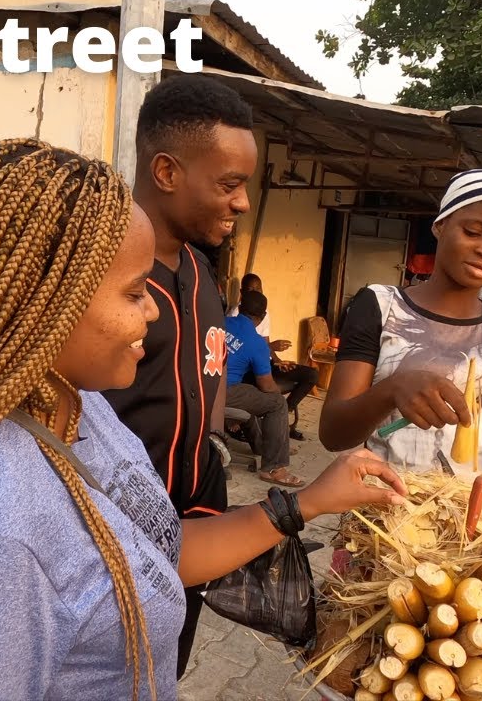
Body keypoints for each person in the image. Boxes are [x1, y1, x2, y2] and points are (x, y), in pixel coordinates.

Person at [0, 139, 408, 701]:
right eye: (136, 292)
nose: (152, 315)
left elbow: (154, 555)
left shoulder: (83, 413)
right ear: (40, 302)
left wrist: (306, 504)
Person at [99, 73, 257, 677]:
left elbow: (206, 372)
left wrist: (212, 443)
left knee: (165, 671)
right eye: (229, 184)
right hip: (110, 540)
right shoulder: (95, 275)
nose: (242, 202)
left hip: (194, 529)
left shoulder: (202, 270)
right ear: (166, 172)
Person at [320, 169, 482, 481]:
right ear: (440, 225)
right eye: (472, 232)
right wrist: (391, 390)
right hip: (385, 512)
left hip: (474, 518)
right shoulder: (380, 306)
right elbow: (333, 435)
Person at [224, 290, 302, 487]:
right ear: (263, 316)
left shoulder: (222, 322)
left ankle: (264, 446)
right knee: (276, 404)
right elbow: (267, 385)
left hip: (199, 386)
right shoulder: (257, 342)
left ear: (240, 308)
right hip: (222, 391)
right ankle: (274, 468)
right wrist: (278, 393)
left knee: (250, 394)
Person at [227, 272, 318, 439]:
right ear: (242, 292)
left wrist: (278, 361)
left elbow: (263, 344)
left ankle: (281, 417)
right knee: (270, 393)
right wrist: (269, 347)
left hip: (263, 362)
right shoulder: (234, 315)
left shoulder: (264, 313)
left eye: (258, 289)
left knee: (311, 374)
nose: (255, 292)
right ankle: (273, 419)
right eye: (250, 289)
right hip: (248, 372)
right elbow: (250, 348)